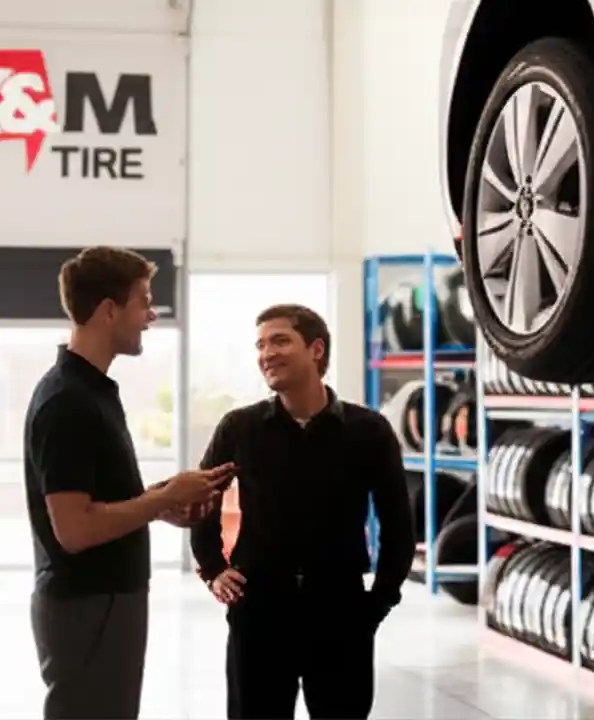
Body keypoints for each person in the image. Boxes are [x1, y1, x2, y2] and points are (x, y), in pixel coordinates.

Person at [23, 246, 235, 720]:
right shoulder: (68, 402)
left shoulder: (93, 392)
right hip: (87, 606)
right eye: (143, 300)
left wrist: (162, 503)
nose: (151, 315)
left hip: (106, 602)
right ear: (108, 311)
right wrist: (161, 497)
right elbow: (74, 529)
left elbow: (97, 501)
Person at [189, 303, 415, 719]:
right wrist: (212, 567)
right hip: (259, 610)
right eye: (260, 345)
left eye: (279, 340)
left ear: (316, 349)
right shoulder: (240, 428)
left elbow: (398, 523)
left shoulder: (368, 430)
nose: (266, 353)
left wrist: (379, 601)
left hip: (340, 610)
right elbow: (203, 499)